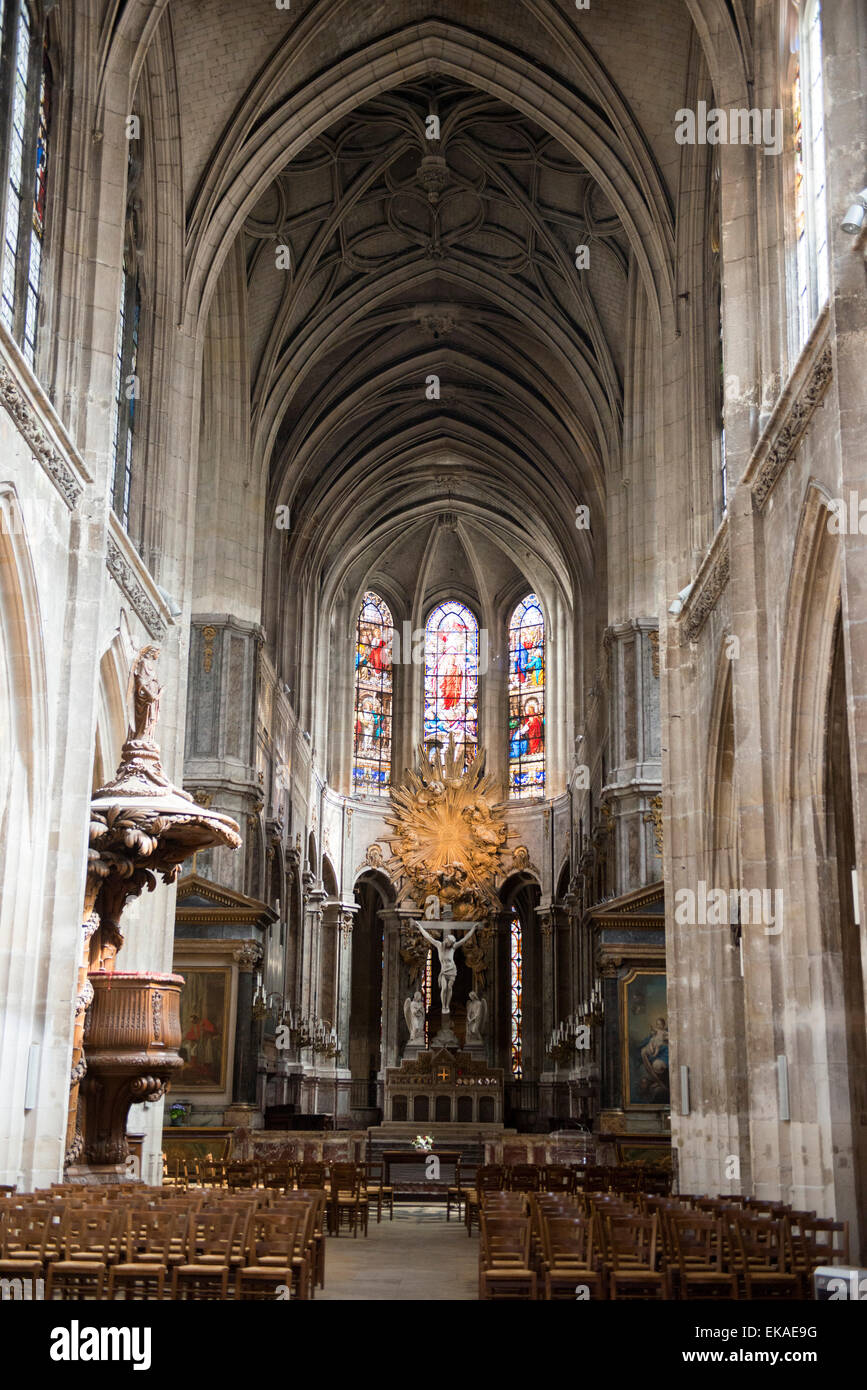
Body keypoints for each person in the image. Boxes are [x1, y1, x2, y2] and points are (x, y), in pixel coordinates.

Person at [414, 921, 477, 1015]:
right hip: (443, 971)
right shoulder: (439, 945)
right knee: (444, 988)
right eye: (450, 943)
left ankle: (447, 1005)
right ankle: (444, 1006)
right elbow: (428, 937)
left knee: (449, 987)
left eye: (452, 943)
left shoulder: (453, 947)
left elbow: (465, 939)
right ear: (446, 940)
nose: (450, 945)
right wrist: (420, 927)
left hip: (452, 970)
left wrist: (473, 929)